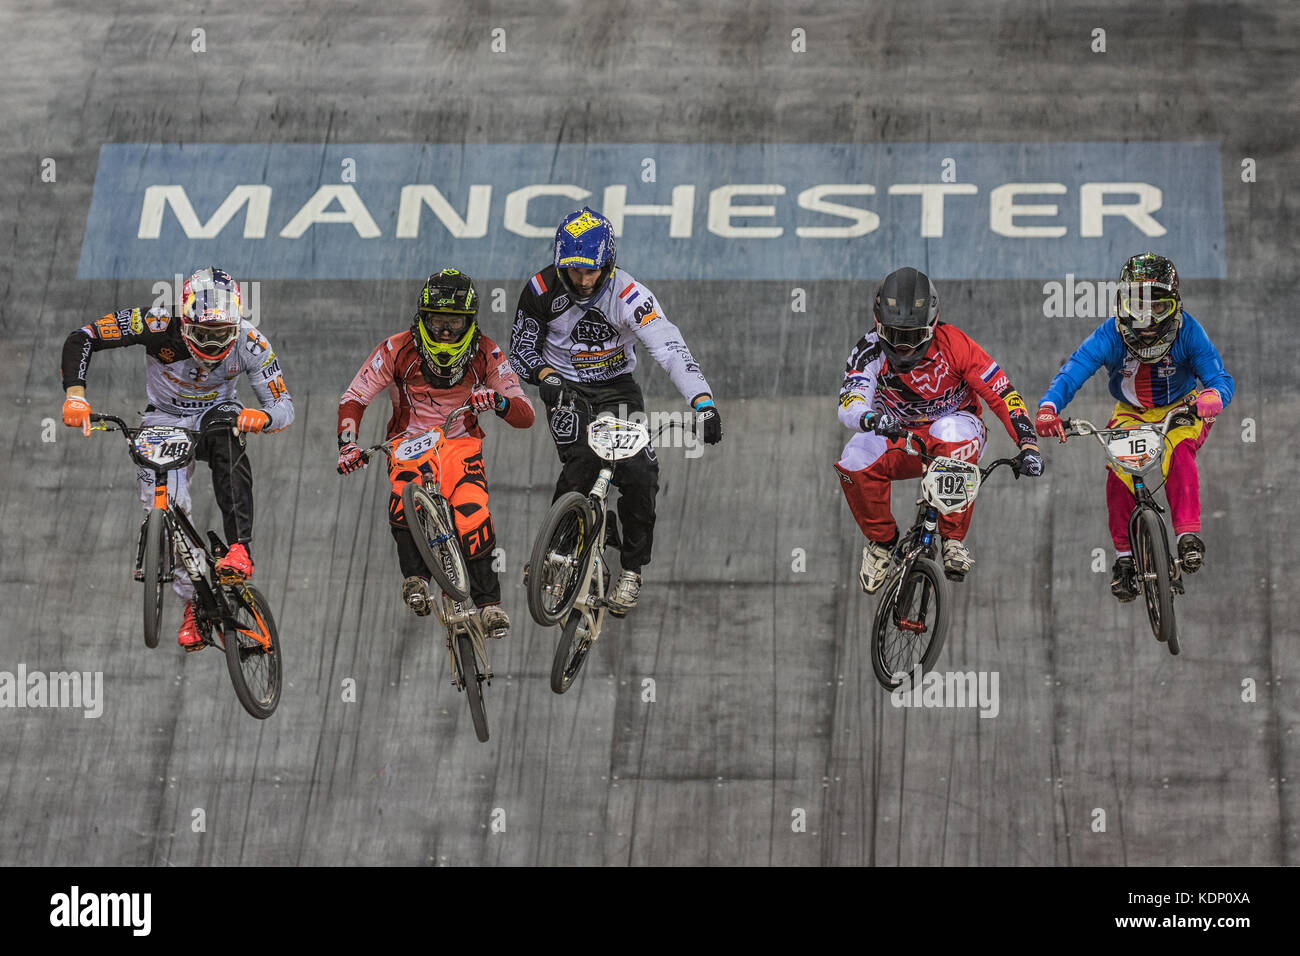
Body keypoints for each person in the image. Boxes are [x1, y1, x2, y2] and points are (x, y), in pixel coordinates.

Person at [60, 267, 294, 649]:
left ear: (236, 325)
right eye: (203, 335)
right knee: (171, 503)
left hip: (216, 415)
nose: (214, 346)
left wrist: (263, 417)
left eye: (222, 336)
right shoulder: (155, 322)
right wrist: (75, 394)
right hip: (163, 417)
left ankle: (239, 549)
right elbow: (83, 336)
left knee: (229, 439)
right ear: (184, 323)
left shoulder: (251, 342)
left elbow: (284, 405)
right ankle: (192, 602)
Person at [508, 207, 722, 617]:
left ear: (609, 264)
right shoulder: (539, 289)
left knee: (641, 474)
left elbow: (670, 349)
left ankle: (632, 570)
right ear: (560, 264)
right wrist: (545, 376)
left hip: (616, 390)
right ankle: (556, 549)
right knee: (584, 458)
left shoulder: (630, 295)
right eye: (573, 272)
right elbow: (521, 350)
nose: (583, 281)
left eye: (591, 272)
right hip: (562, 385)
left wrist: (704, 401)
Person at [337, 269, 534, 637]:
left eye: (454, 323)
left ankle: (490, 604)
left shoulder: (488, 352)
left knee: (472, 511)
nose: (445, 332)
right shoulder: (394, 349)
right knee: (402, 493)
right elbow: (354, 396)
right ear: (423, 319)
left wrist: (500, 401)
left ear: (470, 323)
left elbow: (526, 415)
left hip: (460, 443)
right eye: (438, 321)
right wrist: (347, 444)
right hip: (408, 442)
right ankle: (415, 579)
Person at [1035, 252, 1233, 601]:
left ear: (1176, 307)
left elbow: (1219, 377)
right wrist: (1049, 407)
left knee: (1178, 449)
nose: (1146, 321)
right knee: (1118, 473)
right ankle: (1124, 560)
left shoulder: (1190, 331)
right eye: (1137, 306)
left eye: (1158, 308)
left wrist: (1213, 397)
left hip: (1181, 408)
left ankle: (1188, 534)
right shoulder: (1109, 334)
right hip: (1132, 412)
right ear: (1121, 304)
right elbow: (1074, 369)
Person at [835, 266, 1043, 592]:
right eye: (894, 335)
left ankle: (952, 538)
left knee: (949, 430)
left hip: (956, 431)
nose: (903, 347)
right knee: (853, 458)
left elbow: (1002, 393)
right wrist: (871, 420)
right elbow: (850, 401)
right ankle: (882, 541)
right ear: (878, 326)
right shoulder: (868, 350)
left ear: (932, 327)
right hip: (901, 438)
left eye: (914, 336)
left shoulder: (957, 345)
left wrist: (1027, 442)